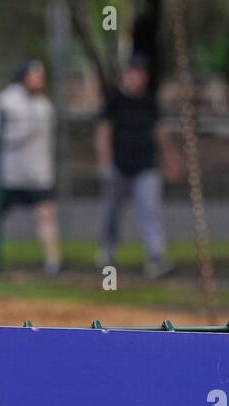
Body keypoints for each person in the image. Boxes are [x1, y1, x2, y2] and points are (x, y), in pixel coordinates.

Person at [95, 53, 184, 278]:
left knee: (150, 210)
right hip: (119, 165)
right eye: (134, 73)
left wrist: (170, 157)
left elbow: (159, 131)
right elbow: (104, 131)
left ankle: (155, 257)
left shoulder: (149, 102)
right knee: (112, 212)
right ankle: (108, 251)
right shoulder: (114, 100)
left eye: (142, 74)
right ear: (127, 74)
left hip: (146, 165)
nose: (138, 78)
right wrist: (105, 162)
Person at [0, 60, 62, 275]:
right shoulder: (7, 101)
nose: (39, 79)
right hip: (10, 174)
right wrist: (24, 132)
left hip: (37, 174)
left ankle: (53, 262)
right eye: (35, 75)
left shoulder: (44, 105)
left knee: (46, 212)